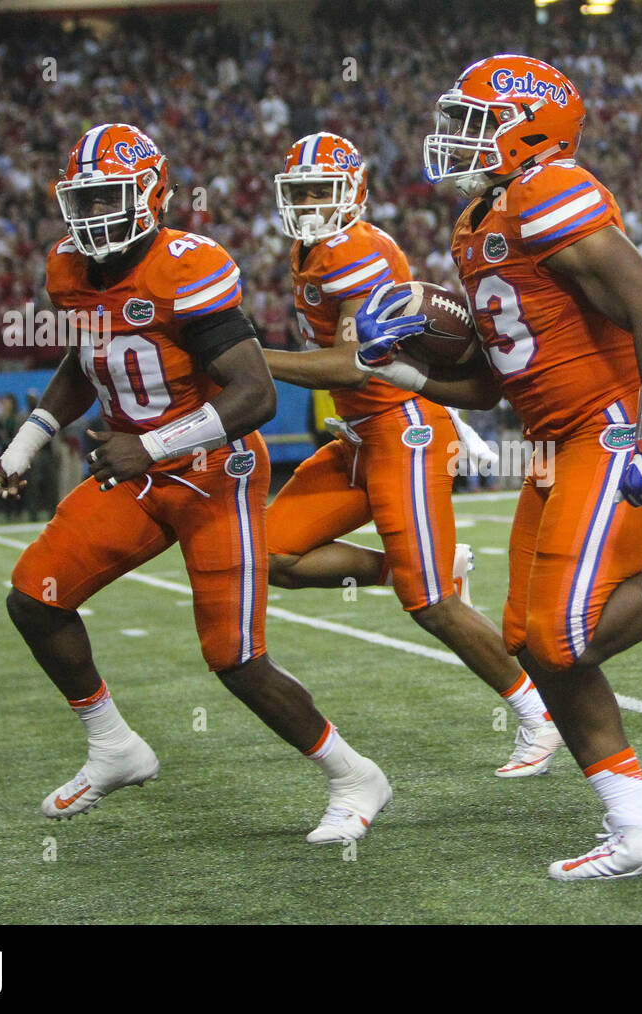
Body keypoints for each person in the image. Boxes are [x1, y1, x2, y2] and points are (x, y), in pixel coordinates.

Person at [361, 55, 642, 880]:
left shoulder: (550, 188)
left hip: (613, 428)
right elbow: (502, 381)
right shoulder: (480, 222)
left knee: (567, 637)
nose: (456, 136)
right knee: (532, 644)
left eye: (476, 119)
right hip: (557, 437)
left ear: (531, 126)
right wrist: (410, 374)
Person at [0, 123, 390, 842]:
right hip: (138, 471)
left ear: (151, 194)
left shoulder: (188, 264)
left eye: (110, 197)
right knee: (35, 599)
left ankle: (353, 773)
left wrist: (151, 446)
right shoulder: (69, 268)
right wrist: (30, 438)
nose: (93, 216)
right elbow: (85, 362)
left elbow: (255, 394)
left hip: (215, 472)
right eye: (83, 200)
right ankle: (113, 745)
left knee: (234, 657)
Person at [260, 131, 562, 778]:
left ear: (354, 193)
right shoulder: (309, 249)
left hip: (405, 429)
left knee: (429, 602)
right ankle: (427, 562)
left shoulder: (357, 249)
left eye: (323, 190)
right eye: (301, 191)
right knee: (270, 555)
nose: (310, 203)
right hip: (363, 431)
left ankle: (538, 712)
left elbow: (347, 365)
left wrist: (250, 360)